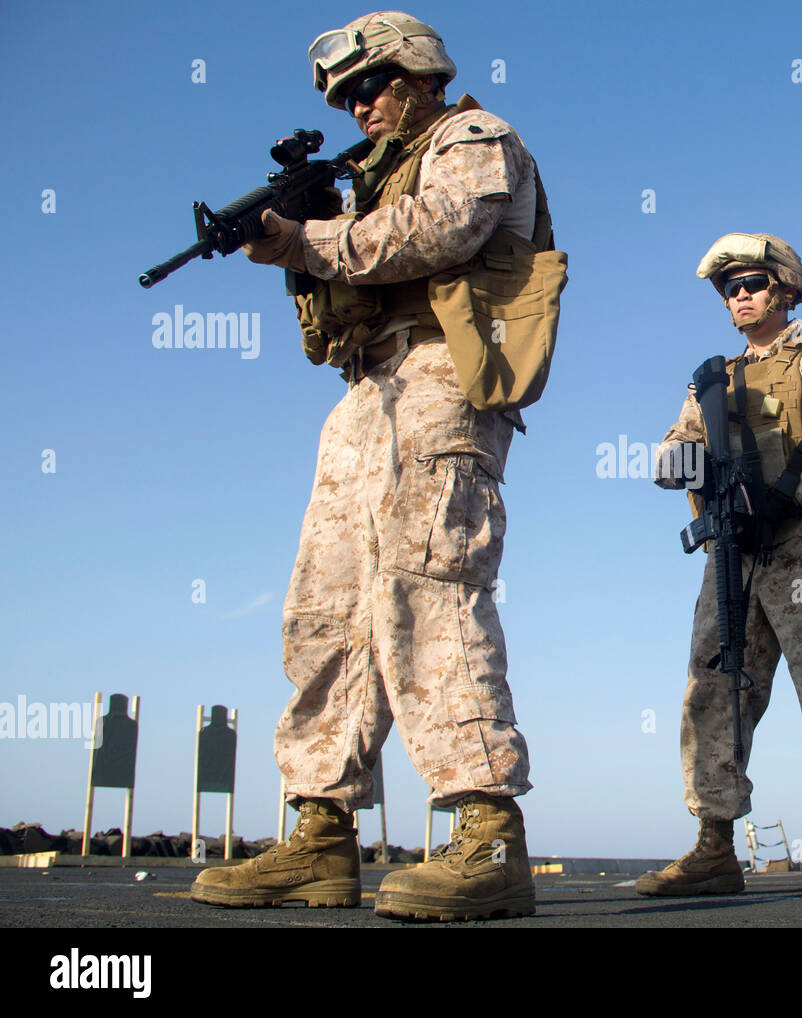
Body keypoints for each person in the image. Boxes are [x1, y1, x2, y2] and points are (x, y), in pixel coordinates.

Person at [190, 10, 548, 921]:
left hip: (444, 380)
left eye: (371, 85)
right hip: (366, 392)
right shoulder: (363, 180)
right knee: (328, 605)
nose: (359, 107)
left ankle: (485, 830)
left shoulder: (474, 136)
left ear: (421, 73)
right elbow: (343, 290)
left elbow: (444, 232)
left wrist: (306, 240)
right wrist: (303, 240)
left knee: (427, 588)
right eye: (345, 97)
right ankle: (319, 831)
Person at [641, 232, 802, 897]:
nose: (739, 296)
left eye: (752, 284)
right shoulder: (711, 379)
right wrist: (684, 466)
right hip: (732, 550)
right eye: (728, 289)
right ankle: (714, 843)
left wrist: (782, 494)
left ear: (784, 287)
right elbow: (674, 449)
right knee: (714, 685)